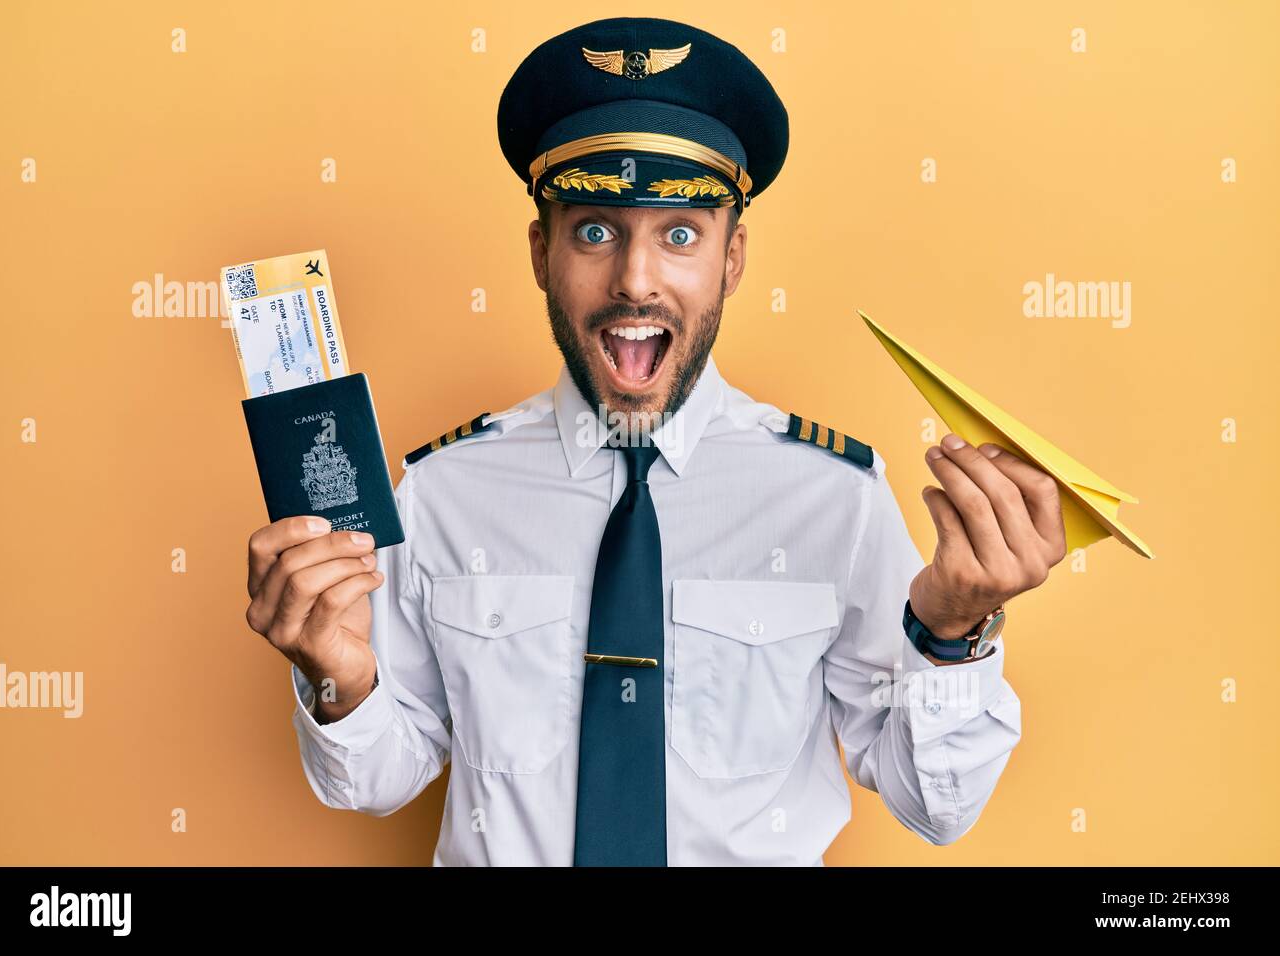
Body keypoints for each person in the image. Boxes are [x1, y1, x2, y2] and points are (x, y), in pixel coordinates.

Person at [243, 16, 1066, 866]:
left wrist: (952, 635)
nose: (635, 279)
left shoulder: (836, 497)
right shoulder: (440, 490)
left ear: (731, 259)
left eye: (680, 234)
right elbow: (377, 778)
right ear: (541, 252)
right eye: (595, 230)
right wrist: (334, 672)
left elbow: (936, 806)